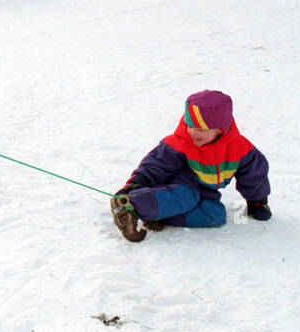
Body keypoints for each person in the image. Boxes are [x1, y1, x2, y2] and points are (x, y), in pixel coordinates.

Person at [110, 90, 271, 242]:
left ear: (221, 130)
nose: (193, 133)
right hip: (176, 185)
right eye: (189, 126)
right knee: (187, 197)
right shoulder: (180, 143)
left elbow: (254, 172)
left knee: (216, 214)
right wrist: (135, 184)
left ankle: (159, 214)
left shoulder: (238, 148)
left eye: (200, 129)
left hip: (205, 190)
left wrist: (257, 201)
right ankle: (130, 206)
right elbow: (155, 165)